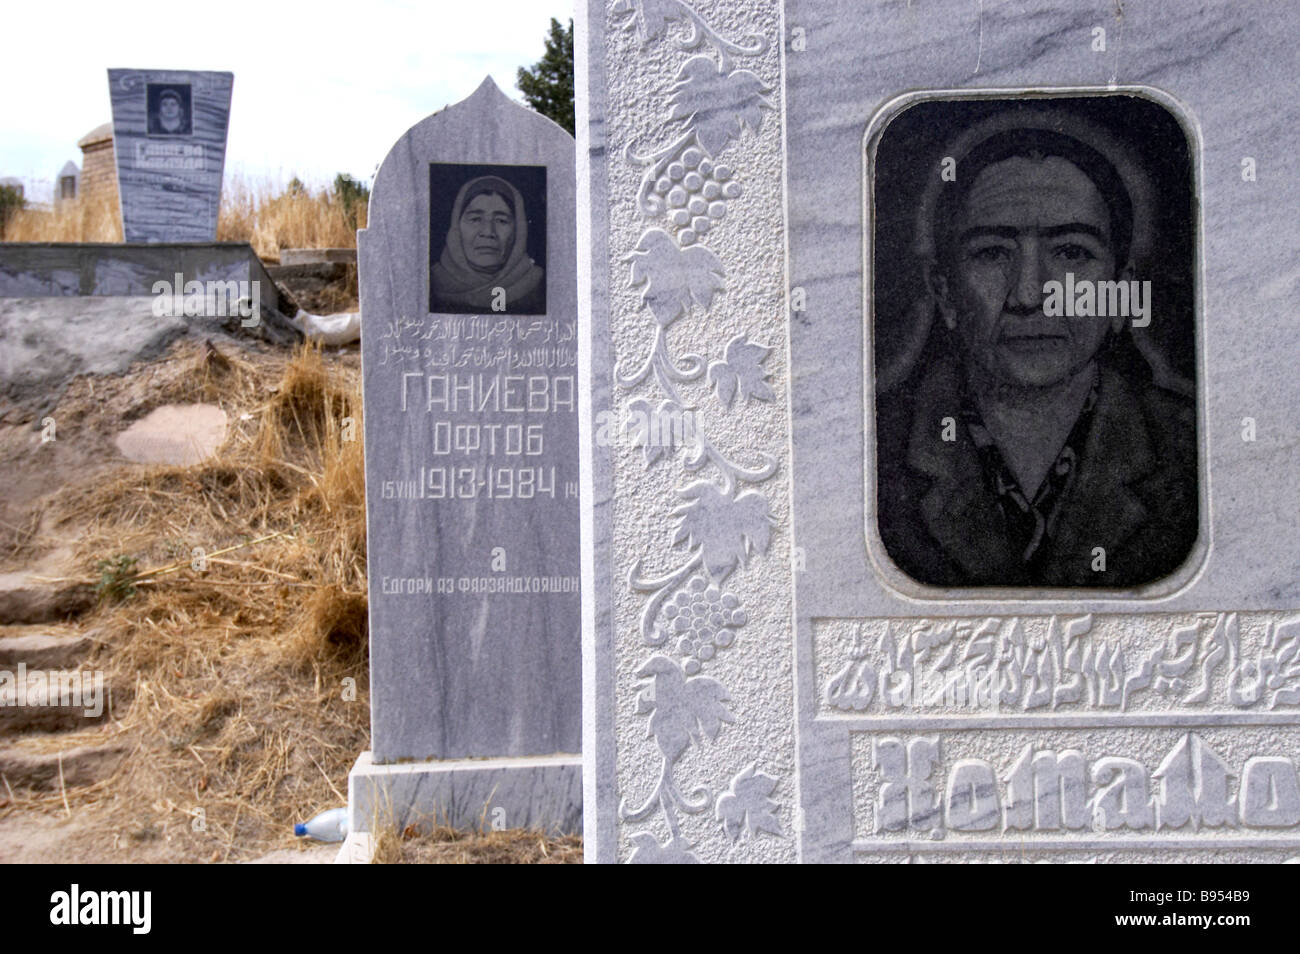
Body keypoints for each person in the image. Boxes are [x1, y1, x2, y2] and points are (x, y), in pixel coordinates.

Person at [875, 107, 1197, 588]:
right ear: (945, 293)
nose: (1029, 295)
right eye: (992, 253)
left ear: (1120, 290)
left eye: (1071, 252)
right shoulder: (876, 447)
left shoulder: (1190, 449)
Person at [431, 175, 544, 314]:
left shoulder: (539, 286)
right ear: (456, 227)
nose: (488, 232)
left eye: (501, 221)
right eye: (475, 219)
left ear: (518, 231)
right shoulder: (431, 283)